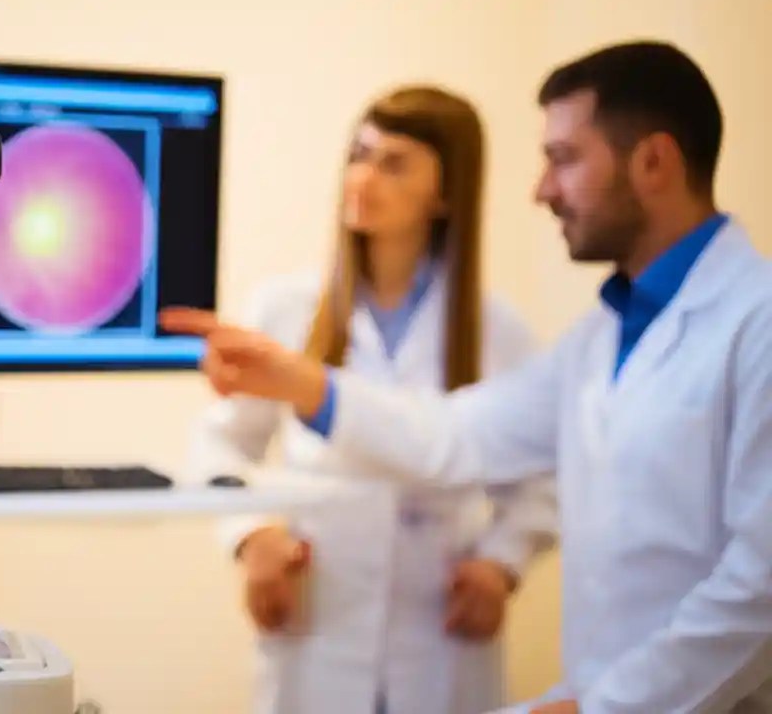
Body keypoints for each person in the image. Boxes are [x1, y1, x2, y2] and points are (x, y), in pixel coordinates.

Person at [165, 40, 772, 713]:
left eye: (564, 160)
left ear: (654, 161)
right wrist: (305, 384)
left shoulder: (757, 323)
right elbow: (453, 434)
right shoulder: (602, 337)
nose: (541, 190)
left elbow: (760, 589)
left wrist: (590, 693)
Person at [186, 85, 558, 714]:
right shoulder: (288, 308)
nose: (363, 176)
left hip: (438, 632)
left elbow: (545, 478)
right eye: (359, 154)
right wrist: (254, 538)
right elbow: (220, 442)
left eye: (394, 162)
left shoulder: (496, 329)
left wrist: (501, 564)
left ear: (445, 192)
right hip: (316, 621)